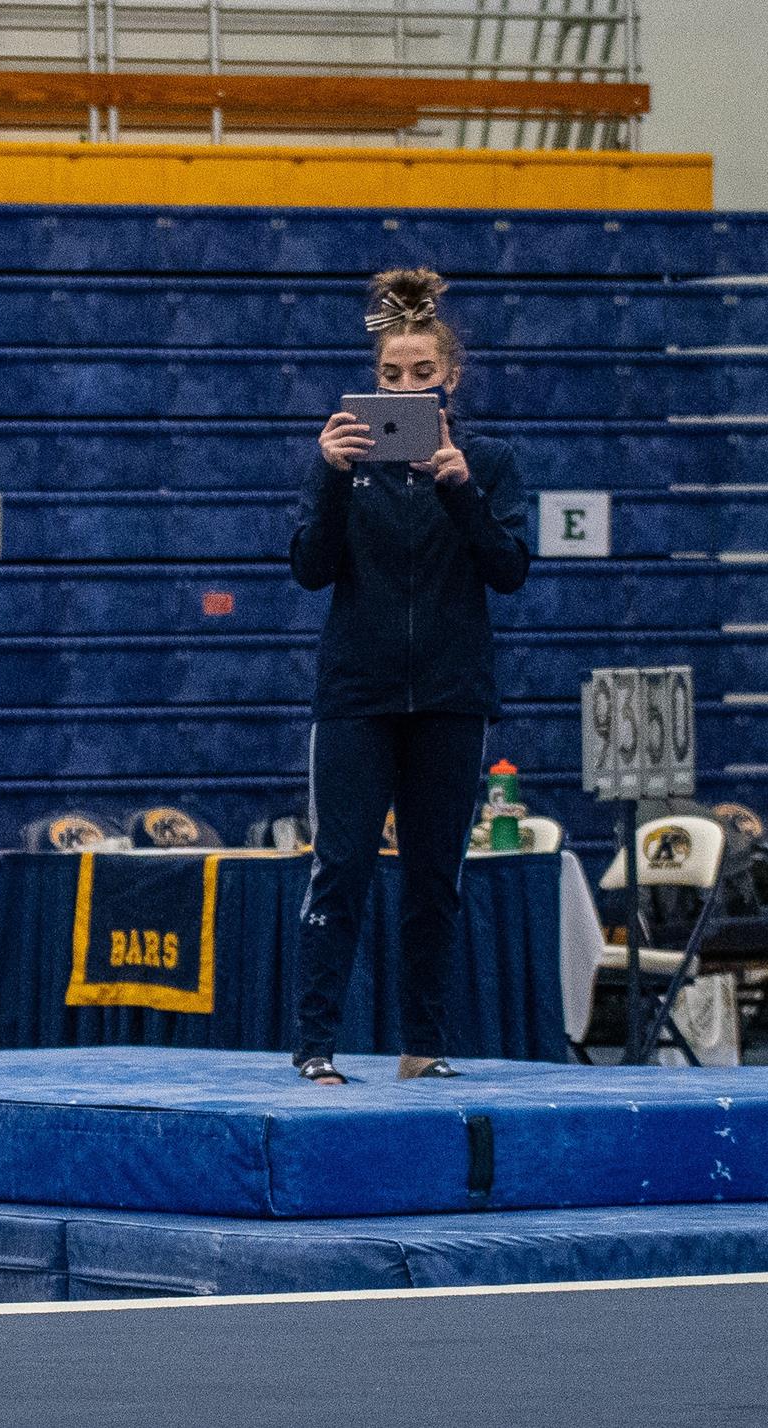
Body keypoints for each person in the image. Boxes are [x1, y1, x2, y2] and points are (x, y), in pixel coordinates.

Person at [288, 268, 530, 1085]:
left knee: (434, 881)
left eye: (422, 373)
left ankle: (423, 1045)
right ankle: (315, 1045)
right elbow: (310, 569)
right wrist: (329, 475)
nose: (405, 387)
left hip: (451, 698)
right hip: (357, 698)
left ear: (450, 378)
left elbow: (510, 570)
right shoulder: (345, 463)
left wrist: (460, 490)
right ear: (374, 382)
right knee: (342, 867)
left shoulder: (488, 461)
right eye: (391, 375)